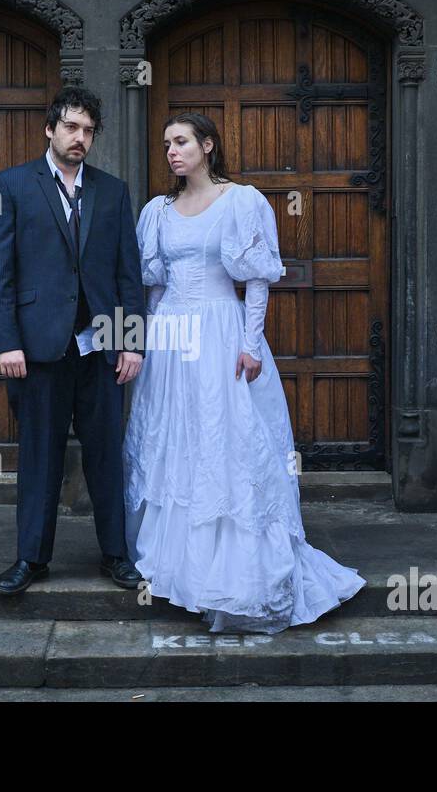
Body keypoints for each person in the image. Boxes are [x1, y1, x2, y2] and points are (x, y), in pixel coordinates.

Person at [122, 111, 366, 633]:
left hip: (220, 332)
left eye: (182, 141)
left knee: (224, 440)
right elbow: (155, 287)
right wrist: (145, 343)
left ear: (207, 146)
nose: (172, 151)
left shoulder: (241, 201)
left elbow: (257, 281)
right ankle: (176, 570)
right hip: (172, 337)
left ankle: (232, 572)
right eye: (167, 143)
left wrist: (251, 345)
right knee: (175, 440)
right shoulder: (158, 211)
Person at [0, 86, 145, 595]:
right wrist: (7, 342)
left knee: (106, 456)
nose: (80, 138)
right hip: (38, 350)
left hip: (100, 350)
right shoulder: (8, 186)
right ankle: (31, 558)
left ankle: (116, 555)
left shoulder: (112, 191)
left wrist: (130, 342)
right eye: (71, 127)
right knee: (39, 457)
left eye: (88, 131)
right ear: (50, 129)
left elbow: (128, 275)